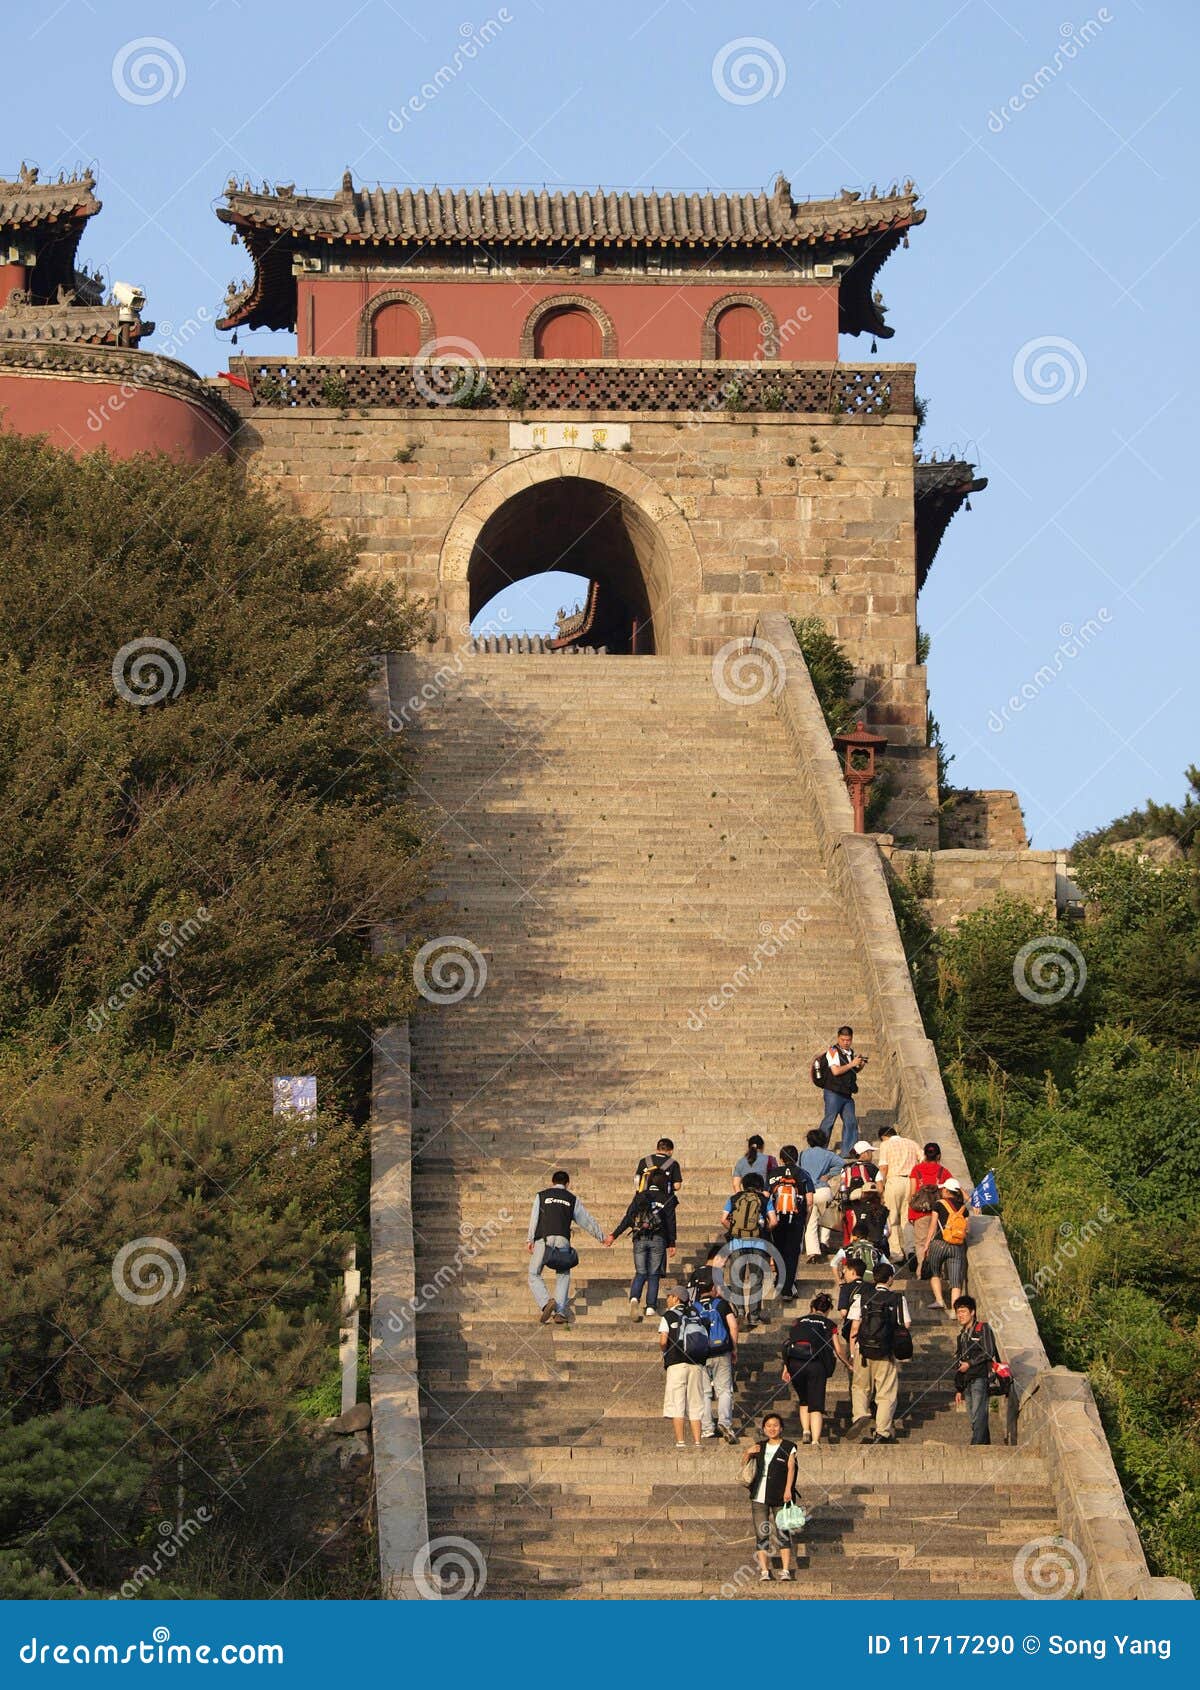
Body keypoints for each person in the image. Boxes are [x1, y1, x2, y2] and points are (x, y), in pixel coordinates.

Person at [527, 1169, 606, 1324]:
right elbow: (586, 1221)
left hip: (543, 1240)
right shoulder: (571, 1198)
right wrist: (601, 1237)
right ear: (567, 1184)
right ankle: (560, 1312)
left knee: (534, 1273)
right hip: (563, 1239)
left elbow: (534, 1218)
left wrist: (529, 1239)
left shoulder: (541, 1196)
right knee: (563, 1274)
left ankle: (545, 1303)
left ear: (552, 1182)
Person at [847, 1261, 912, 1443]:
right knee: (886, 1392)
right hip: (886, 1351)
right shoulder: (898, 1299)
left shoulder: (863, 1297)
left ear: (874, 1278)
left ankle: (860, 1414)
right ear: (890, 1278)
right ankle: (882, 1431)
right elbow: (905, 1325)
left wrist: (852, 1354)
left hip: (863, 1351)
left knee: (860, 1387)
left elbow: (854, 1327)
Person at [607, 1170, 678, 1322]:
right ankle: (651, 1306)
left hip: (639, 1237)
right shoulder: (668, 1198)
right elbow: (671, 1222)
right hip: (658, 1238)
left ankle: (634, 1299)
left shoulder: (639, 1196)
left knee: (640, 1272)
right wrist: (672, 1242)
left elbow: (628, 1218)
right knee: (653, 1274)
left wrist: (614, 1235)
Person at [740, 1413, 799, 1582]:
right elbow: (744, 1466)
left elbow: (791, 1469)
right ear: (764, 1429)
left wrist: (788, 1489)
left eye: (775, 1425)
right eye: (768, 1426)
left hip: (781, 1495)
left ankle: (785, 1570)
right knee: (761, 1534)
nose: (772, 1428)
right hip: (759, 1495)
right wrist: (747, 1452)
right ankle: (764, 1571)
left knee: (783, 1532)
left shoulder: (789, 1446)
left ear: (781, 1428)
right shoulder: (759, 1446)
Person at [781, 1291, 842, 1445]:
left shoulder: (798, 1321)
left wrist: (785, 1368)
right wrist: (848, 1363)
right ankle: (815, 1440)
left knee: (804, 1400)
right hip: (816, 1364)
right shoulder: (829, 1324)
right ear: (828, 1310)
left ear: (812, 1308)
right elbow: (838, 1349)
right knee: (816, 1403)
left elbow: (789, 1343)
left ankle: (805, 1431)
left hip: (795, 1363)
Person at [718, 1172, 778, 1328]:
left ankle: (738, 1312)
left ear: (743, 1184)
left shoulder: (734, 1198)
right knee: (756, 1280)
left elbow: (723, 1219)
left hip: (737, 1242)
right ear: (759, 1186)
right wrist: (764, 1231)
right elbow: (774, 1221)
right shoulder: (764, 1200)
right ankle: (753, 1316)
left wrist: (734, 1231)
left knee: (736, 1278)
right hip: (758, 1243)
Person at [659, 1285, 708, 1448]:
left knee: (677, 1402)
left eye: (670, 1296)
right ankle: (697, 1441)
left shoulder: (668, 1315)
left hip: (676, 1363)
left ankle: (680, 1441)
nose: (667, 1299)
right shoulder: (696, 1314)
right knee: (695, 1402)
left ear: (676, 1298)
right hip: (696, 1363)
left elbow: (663, 1341)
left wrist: (664, 1353)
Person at [695, 1279, 740, 1444]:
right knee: (724, 1390)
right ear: (713, 1288)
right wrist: (734, 1348)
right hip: (721, 1352)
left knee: (705, 1393)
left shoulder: (693, 1307)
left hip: (700, 1354)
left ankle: (707, 1429)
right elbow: (733, 1326)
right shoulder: (721, 1304)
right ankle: (724, 1422)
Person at [768, 1144, 814, 1299]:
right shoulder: (803, 1174)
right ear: (796, 1158)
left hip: (777, 1218)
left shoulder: (773, 1174)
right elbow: (809, 1201)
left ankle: (780, 1280)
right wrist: (805, 1221)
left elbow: (766, 1196)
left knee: (779, 1250)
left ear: (781, 1159)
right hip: (796, 1219)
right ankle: (787, 1287)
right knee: (792, 1253)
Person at [953, 1295, 1000, 1445]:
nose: (960, 1315)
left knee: (978, 1414)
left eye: (963, 1311)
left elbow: (989, 1351)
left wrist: (971, 1363)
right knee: (974, 1415)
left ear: (972, 1312)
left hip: (980, 1377)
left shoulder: (982, 1328)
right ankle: (984, 1445)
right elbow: (959, 1363)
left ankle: (976, 1445)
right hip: (967, 1380)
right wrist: (958, 1388)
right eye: (958, 1312)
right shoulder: (961, 1336)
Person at [919, 1179, 970, 1315]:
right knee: (955, 1280)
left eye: (943, 1189)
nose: (942, 1191)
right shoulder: (964, 1209)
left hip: (939, 1244)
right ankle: (954, 1310)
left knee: (934, 1272)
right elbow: (967, 1230)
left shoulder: (939, 1204)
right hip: (957, 1247)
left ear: (947, 1191)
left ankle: (939, 1301)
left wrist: (927, 1244)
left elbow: (933, 1225)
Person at [816, 1025, 867, 1156]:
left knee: (851, 1122)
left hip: (847, 1093)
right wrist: (852, 1064)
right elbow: (836, 1071)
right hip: (833, 1092)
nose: (846, 1042)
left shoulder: (850, 1053)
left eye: (848, 1040)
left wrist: (859, 1065)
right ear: (838, 1038)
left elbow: (851, 1070)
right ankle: (819, 1149)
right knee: (829, 1121)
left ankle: (848, 1151)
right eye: (843, 1039)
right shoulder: (833, 1051)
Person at [876, 1125, 922, 1269]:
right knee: (907, 1220)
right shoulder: (912, 1143)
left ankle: (897, 1253)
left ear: (883, 1137)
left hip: (894, 1180)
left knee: (892, 1219)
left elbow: (883, 1167)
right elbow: (923, 1159)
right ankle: (910, 1250)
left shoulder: (885, 1145)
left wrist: (880, 1187)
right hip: (911, 1181)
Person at [800, 1129, 843, 1261]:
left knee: (811, 1223)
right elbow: (841, 1164)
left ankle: (813, 1253)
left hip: (809, 1191)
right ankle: (824, 1243)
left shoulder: (803, 1154)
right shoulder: (828, 1154)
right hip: (824, 1190)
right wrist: (829, 1175)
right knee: (827, 1219)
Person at [908, 1141, 953, 1269]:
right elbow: (952, 1190)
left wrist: (910, 1213)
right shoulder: (943, 1171)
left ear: (925, 1155)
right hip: (939, 1212)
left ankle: (922, 1270)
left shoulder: (916, 1169)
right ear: (939, 1156)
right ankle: (936, 1271)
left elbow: (912, 1194)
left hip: (919, 1213)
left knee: (921, 1243)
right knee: (937, 1242)